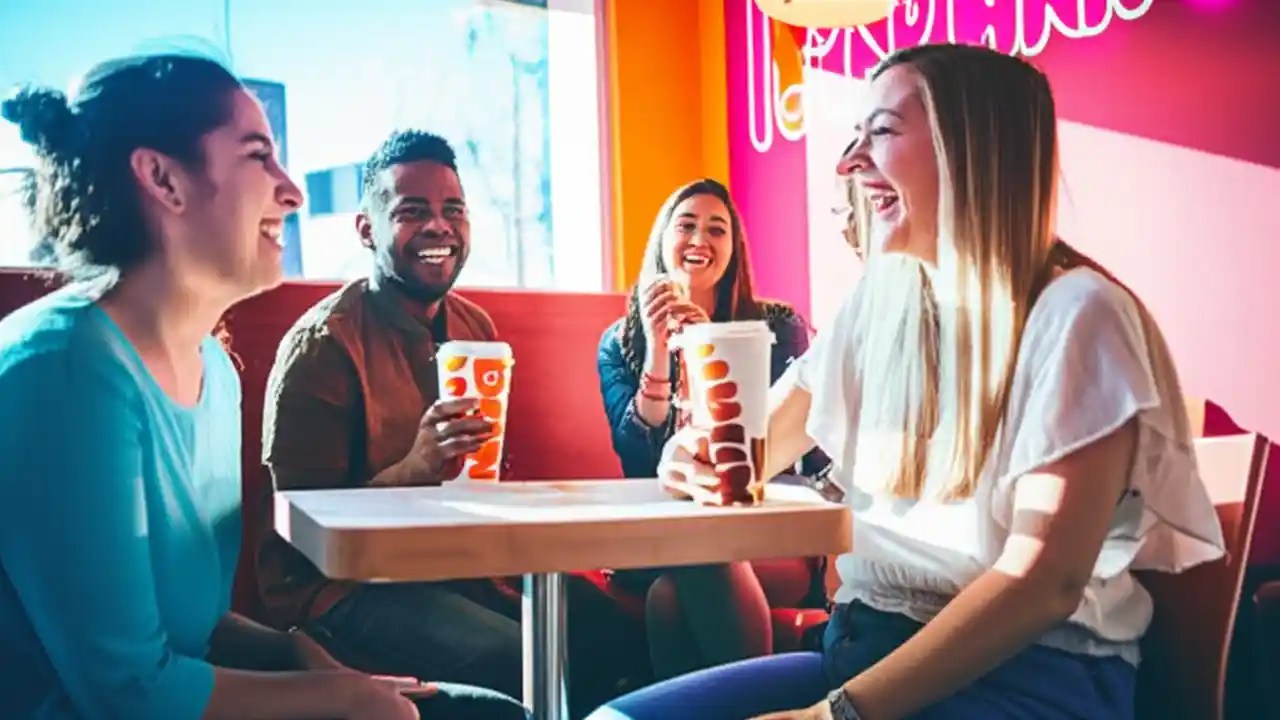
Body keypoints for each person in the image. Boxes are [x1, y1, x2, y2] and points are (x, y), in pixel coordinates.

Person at [591, 43, 1224, 720]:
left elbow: (1042, 580)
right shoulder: (879, 301)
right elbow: (753, 449)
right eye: (854, 136)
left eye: (882, 132)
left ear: (970, 149)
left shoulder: (1080, 316)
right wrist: (693, 459)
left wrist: (836, 714)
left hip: (1026, 680)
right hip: (860, 659)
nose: (848, 163)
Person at [0, 53, 523, 720]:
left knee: (499, 710)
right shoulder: (64, 372)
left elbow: (199, 626)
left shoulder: (214, 372)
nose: (293, 191)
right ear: (161, 178)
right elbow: (126, 693)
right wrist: (341, 697)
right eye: (258, 157)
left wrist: (298, 656)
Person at [255, 128, 644, 718]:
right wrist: (413, 468)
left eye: (452, 210)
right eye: (413, 212)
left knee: (615, 633)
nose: (438, 227)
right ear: (368, 229)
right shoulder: (322, 348)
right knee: (520, 655)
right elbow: (303, 534)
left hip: (458, 566)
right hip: (340, 593)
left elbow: (478, 485)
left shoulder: (475, 329)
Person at [596, 178, 830, 680]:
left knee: (676, 589)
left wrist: (708, 350)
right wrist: (660, 353)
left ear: (733, 250)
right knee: (670, 587)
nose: (700, 238)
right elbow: (637, 461)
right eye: (686, 225)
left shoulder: (774, 327)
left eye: (716, 229)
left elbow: (798, 452)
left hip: (767, 533)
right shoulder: (620, 343)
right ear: (662, 239)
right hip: (664, 538)